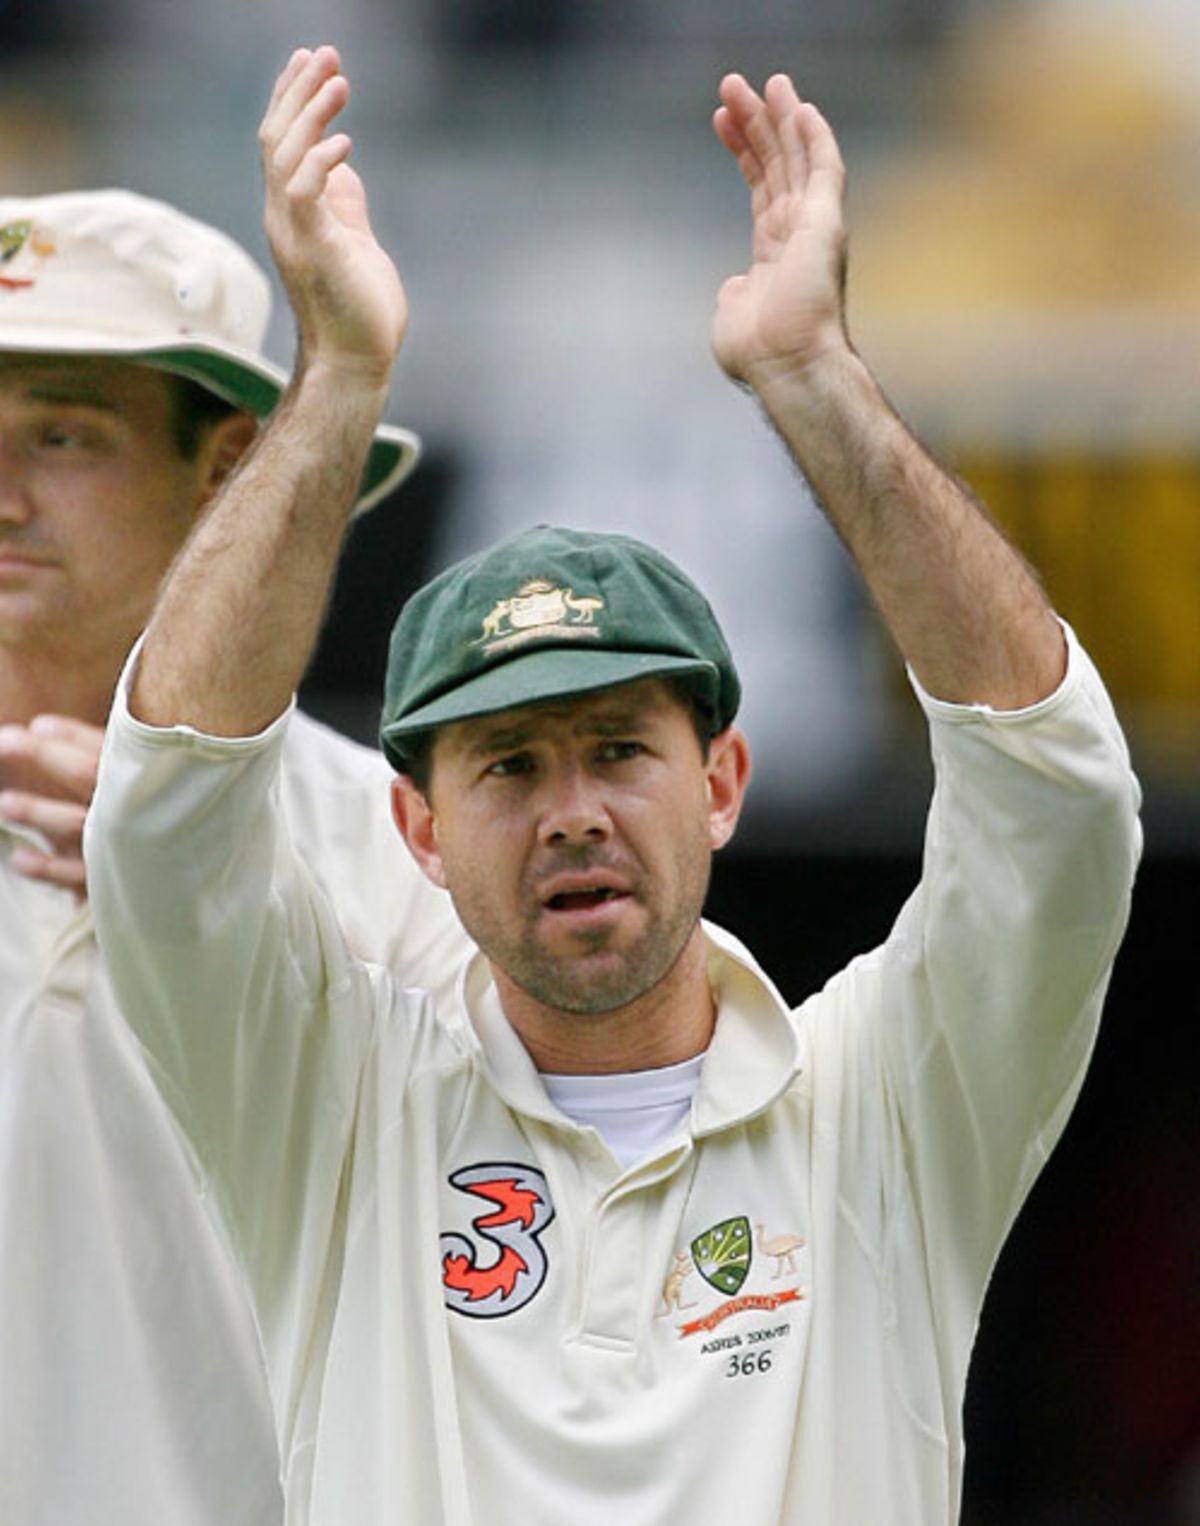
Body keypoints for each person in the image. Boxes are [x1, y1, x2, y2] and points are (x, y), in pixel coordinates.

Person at [87, 45, 1142, 1526]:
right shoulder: (330, 1105)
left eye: (619, 749)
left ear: (723, 781)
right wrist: (335, 385)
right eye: (508, 764)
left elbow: (1060, 800)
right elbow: (167, 820)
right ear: (418, 830)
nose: (573, 807)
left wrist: (818, 379)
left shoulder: (886, 1106)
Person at [0, 185, 471, 1525]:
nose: (4, 491)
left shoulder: (402, 856)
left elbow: (514, 1273)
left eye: (63, 434)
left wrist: (207, 907)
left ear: (227, 471)